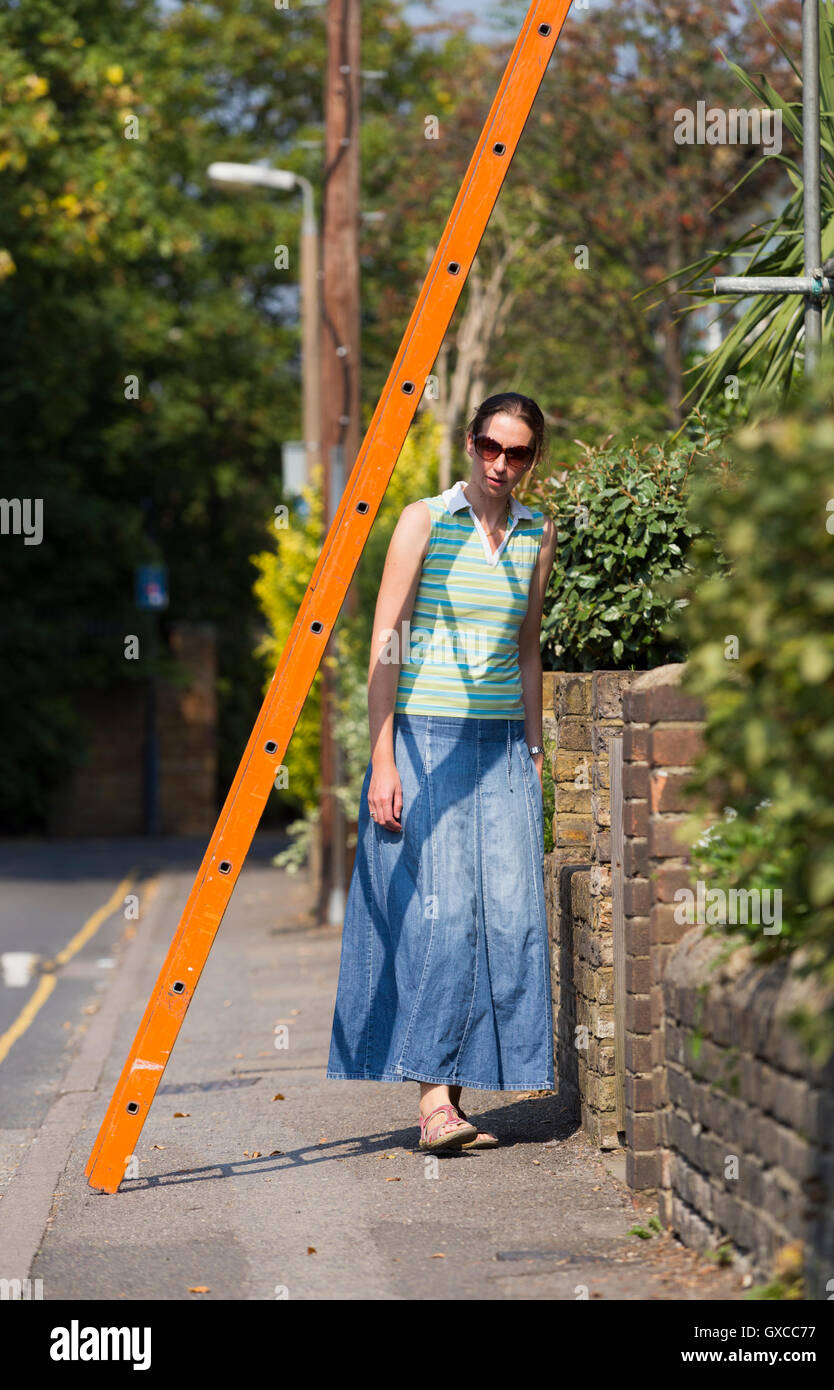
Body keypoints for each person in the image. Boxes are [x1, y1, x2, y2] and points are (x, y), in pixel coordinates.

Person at [326, 391, 558, 1152]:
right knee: (442, 914)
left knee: (510, 918)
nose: (500, 464)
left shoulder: (536, 534)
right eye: (490, 447)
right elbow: (384, 642)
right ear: (469, 442)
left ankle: (455, 1096)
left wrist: (531, 745)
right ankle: (433, 1104)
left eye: (517, 453)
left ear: (533, 459)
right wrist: (383, 756)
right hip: (426, 737)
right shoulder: (426, 520)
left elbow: (526, 646)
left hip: (501, 747)